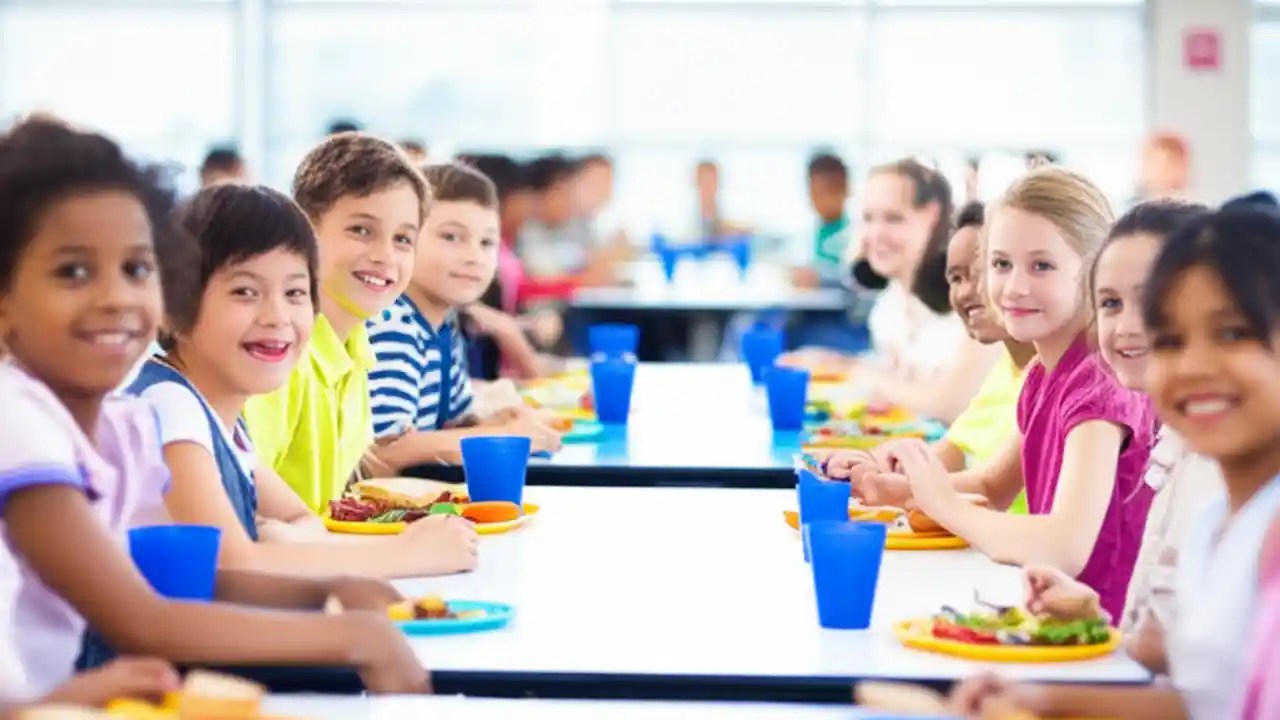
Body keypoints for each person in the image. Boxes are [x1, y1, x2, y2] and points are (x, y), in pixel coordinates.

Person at [0, 116, 427, 702]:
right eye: (74, 271)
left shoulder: (116, 422)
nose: (117, 297)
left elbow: (204, 580)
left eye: (136, 269)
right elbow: (139, 618)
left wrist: (332, 591)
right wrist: (352, 635)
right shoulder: (20, 420)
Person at [949, 198, 1280, 720]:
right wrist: (1044, 696)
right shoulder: (1219, 519)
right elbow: (1202, 697)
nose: (1193, 365)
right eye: (1169, 338)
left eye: (1233, 334)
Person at [853, 168, 1156, 622]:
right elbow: (993, 486)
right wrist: (895, 488)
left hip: (1106, 645)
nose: (1014, 287)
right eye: (1000, 264)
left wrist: (945, 504)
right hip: (1055, 625)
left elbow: (1063, 547)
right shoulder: (1042, 374)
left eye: (1042, 266)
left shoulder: (1100, 386)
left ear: (1096, 272)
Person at [127, 183, 477, 576]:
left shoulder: (224, 423)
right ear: (171, 309)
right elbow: (229, 565)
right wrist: (410, 554)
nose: (277, 316)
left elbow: (301, 519)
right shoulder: (169, 406)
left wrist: (285, 543)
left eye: (295, 293)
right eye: (245, 291)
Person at [242, 132, 429, 511]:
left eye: (403, 239)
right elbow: (244, 497)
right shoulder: (279, 350)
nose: (385, 256)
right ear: (304, 230)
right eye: (362, 230)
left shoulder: (355, 351)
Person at [829, 201, 1037, 512]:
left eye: (984, 272)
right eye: (956, 278)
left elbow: (990, 488)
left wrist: (896, 488)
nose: (967, 292)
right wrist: (873, 464)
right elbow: (951, 452)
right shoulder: (1006, 371)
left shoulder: (1052, 378)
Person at [368, 163, 563, 471]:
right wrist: (503, 436)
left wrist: (503, 419)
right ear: (402, 240)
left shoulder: (443, 324)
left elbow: (454, 421)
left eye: (487, 243)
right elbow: (384, 451)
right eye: (451, 237)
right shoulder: (393, 324)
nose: (474, 256)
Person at [840, 159, 999, 423]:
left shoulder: (973, 301)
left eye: (893, 218)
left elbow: (949, 406)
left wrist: (854, 369)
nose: (875, 233)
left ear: (932, 216)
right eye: (868, 218)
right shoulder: (889, 304)